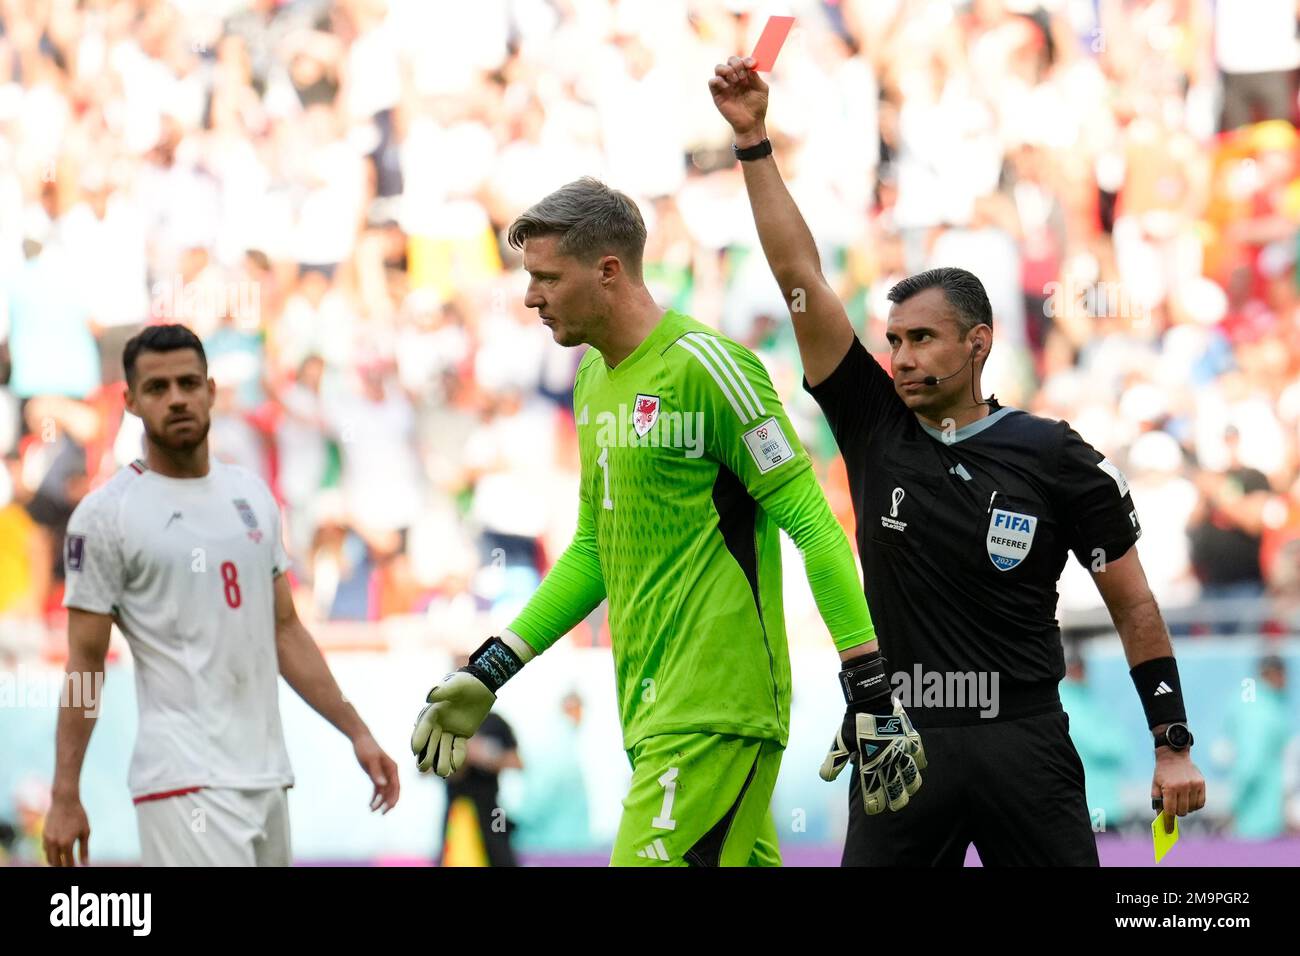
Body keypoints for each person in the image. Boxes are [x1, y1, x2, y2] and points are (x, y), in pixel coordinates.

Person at [710, 56, 1206, 866]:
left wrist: (1172, 741)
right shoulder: (872, 423)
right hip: (901, 741)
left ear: (978, 343)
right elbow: (799, 276)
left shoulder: (1055, 455)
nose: (901, 357)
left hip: (1026, 743)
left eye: (922, 339)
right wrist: (753, 141)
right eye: (893, 340)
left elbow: (1135, 605)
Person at [411, 178, 925, 867]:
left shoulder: (710, 368)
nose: (530, 297)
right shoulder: (593, 380)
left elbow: (815, 524)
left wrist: (869, 687)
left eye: (546, 278)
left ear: (608, 271)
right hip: (653, 717)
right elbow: (593, 550)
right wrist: (491, 668)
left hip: (717, 714)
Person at [43, 324, 399, 867]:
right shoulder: (105, 516)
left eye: (188, 383)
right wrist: (65, 793)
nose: (177, 399)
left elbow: (285, 630)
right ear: (131, 401)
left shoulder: (250, 495)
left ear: (211, 390)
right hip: (181, 783)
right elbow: (85, 664)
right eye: (157, 388)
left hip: (267, 775)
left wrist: (357, 731)